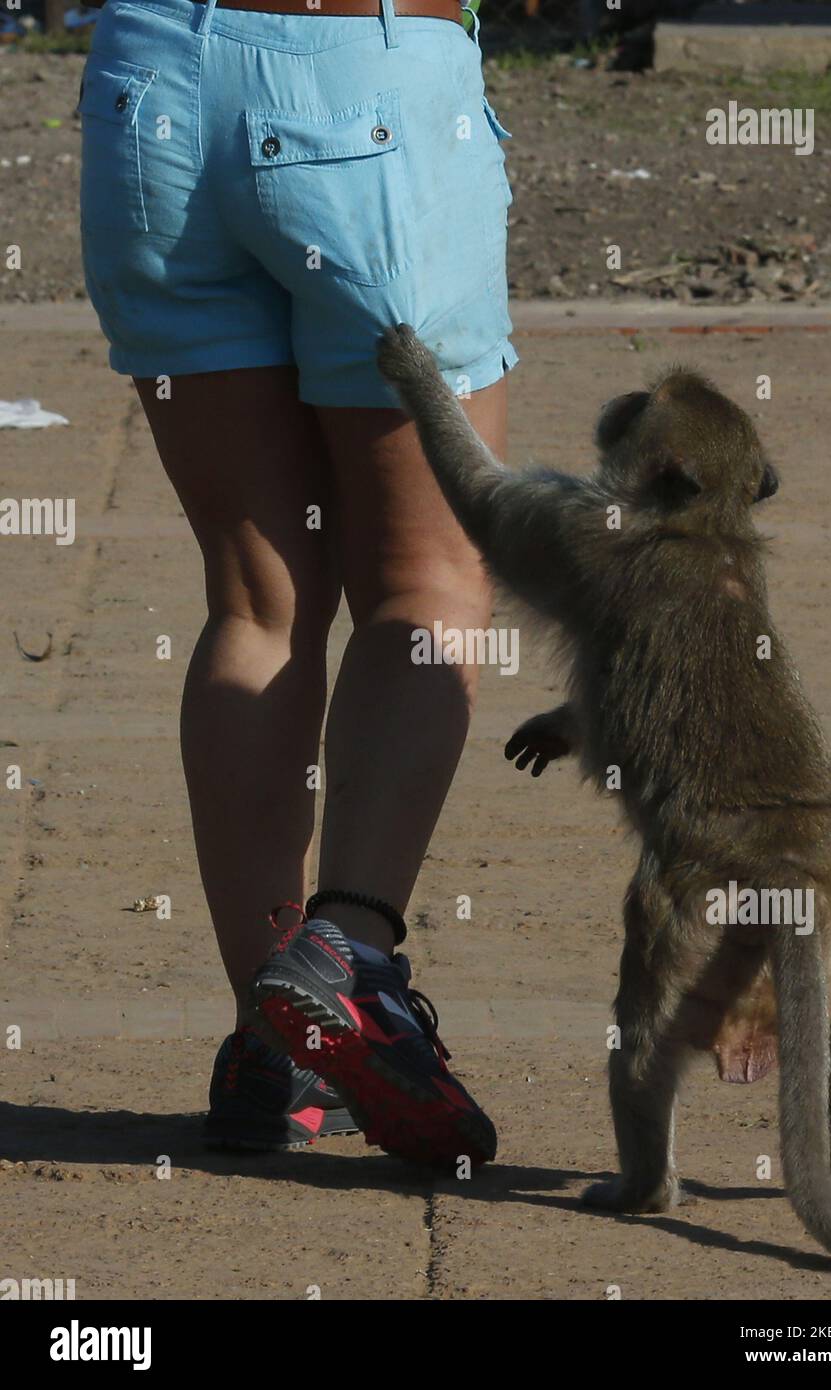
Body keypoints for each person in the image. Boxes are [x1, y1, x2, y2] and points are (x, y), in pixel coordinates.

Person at [78, 0, 516, 1164]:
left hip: (154, 85)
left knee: (255, 599)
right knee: (427, 582)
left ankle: (268, 1036)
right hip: (362, 74)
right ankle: (350, 956)